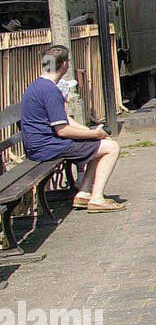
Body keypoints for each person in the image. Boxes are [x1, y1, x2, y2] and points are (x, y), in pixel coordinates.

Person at [20, 45, 125, 213]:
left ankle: (83, 193)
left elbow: (63, 118)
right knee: (112, 148)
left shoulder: (38, 85)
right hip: (47, 147)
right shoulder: (50, 91)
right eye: (68, 62)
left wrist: (93, 134)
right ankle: (97, 198)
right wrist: (93, 133)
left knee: (99, 144)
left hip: (40, 144)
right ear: (63, 65)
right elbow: (62, 130)